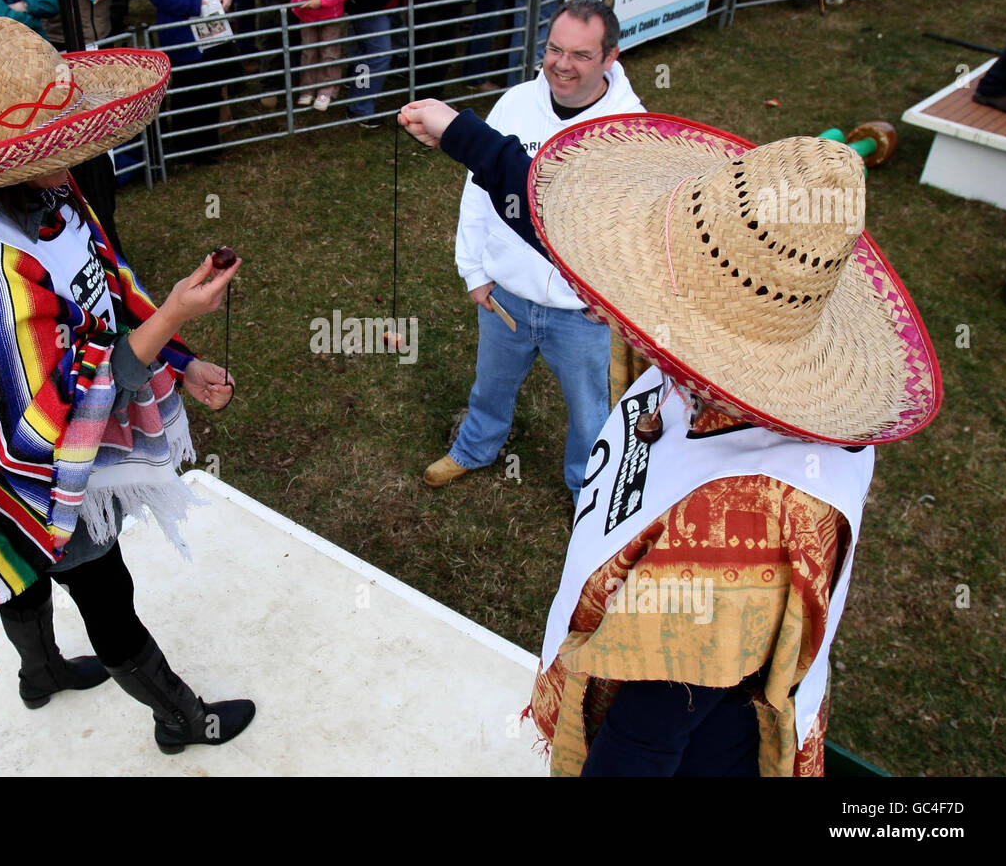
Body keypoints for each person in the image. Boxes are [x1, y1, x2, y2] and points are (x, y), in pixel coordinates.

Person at [398, 96, 941, 776]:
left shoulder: (744, 530)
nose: (629, 295)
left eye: (658, 281)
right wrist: (467, 137)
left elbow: (644, 742)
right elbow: (574, 231)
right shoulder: (725, 375)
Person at [0, 16, 256, 754]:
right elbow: (46, 412)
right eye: (57, 144)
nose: (79, 152)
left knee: (20, 560)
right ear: (1, 161)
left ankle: (39, 669)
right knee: (100, 586)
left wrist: (177, 353)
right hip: (27, 461)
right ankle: (178, 717)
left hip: (21, 441)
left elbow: (105, 286)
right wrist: (177, 308)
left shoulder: (47, 192)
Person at [423, 0, 643, 502]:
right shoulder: (516, 102)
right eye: (554, 49)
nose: (562, 65)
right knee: (490, 384)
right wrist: (475, 271)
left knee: (591, 410)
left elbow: (633, 233)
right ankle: (475, 448)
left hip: (581, 313)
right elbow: (479, 189)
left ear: (611, 57)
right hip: (507, 294)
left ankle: (587, 489)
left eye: (581, 56)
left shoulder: (633, 131)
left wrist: (611, 297)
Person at [142, 0, 238, 163]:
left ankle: (209, 144)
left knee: (212, 82)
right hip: (183, 32)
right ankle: (186, 148)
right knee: (189, 88)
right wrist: (198, 4)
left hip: (211, 25)